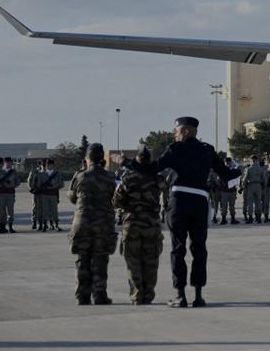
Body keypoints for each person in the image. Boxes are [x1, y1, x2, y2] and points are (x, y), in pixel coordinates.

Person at [143, 116, 241, 307]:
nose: (174, 134)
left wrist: (127, 163)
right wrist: (239, 171)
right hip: (200, 203)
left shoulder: (175, 149)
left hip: (179, 203)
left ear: (186, 131)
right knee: (199, 249)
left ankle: (180, 295)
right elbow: (227, 175)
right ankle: (198, 296)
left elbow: (152, 169)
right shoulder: (208, 150)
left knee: (178, 249)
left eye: (176, 130)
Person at [113, 146, 169, 304]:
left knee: (133, 262)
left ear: (136, 159)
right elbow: (166, 188)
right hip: (152, 224)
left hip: (132, 225)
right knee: (151, 261)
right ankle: (149, 294)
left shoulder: (127, 178)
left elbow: (116, 201)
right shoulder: (157, 178)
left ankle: (137, 294)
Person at [67, 144, 118, 305]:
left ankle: (82, 296)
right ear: (102, 159)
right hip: (103, 224)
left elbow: (72, 198)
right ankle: (99, 295)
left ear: (87, 159)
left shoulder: (80, 176)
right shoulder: (110, 177)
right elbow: (116, 199)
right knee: (100, 259)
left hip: (82, 223)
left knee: (83, 259)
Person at [242, 156, 267, 224]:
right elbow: (265, 179)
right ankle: (258, 217)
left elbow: (245, 179)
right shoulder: (261, 169)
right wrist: (264, 187)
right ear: (257, 160)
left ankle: (250, 217)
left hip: (251, 186)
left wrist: (244, 186)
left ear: (251, 160)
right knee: (258, 202)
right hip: (258, 186)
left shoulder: (249, 169)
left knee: (250, 203)